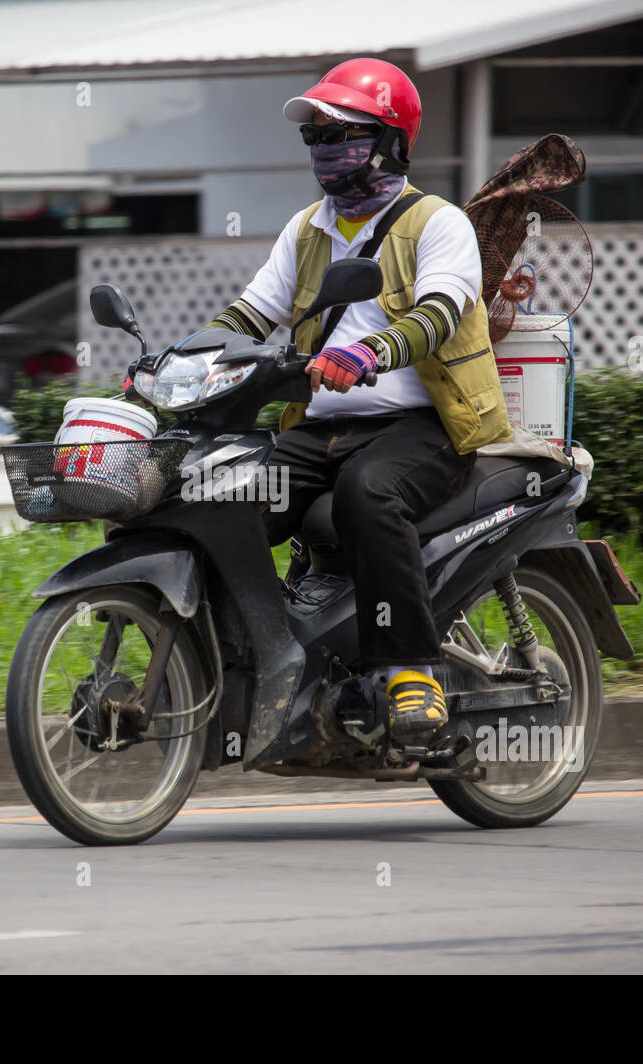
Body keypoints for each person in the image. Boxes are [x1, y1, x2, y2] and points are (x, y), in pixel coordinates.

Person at [206, 58, 512, 742]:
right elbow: (250, 315)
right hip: (320, 428)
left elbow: (437, 314)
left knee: (369, 495)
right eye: (316, 135)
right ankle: (254, 652)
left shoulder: (438, 223)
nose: (325, 148)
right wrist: (181, 360)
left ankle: (410, 673)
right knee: (224, 499)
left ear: (392, 140)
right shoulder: (306, 230)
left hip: (423, 425)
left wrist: (369, 352)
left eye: (342, 132)